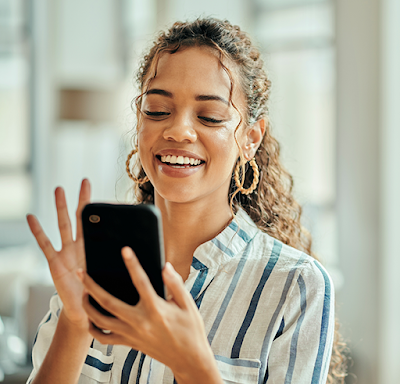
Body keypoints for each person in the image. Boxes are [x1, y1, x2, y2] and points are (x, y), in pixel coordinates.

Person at [26, 18, 346, 384]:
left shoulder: (296, 285)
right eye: (158, 110)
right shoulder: (97, 263)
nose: (178, 130)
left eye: (209, 116)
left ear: (251, 138)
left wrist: (194, 367)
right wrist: (75, 320)